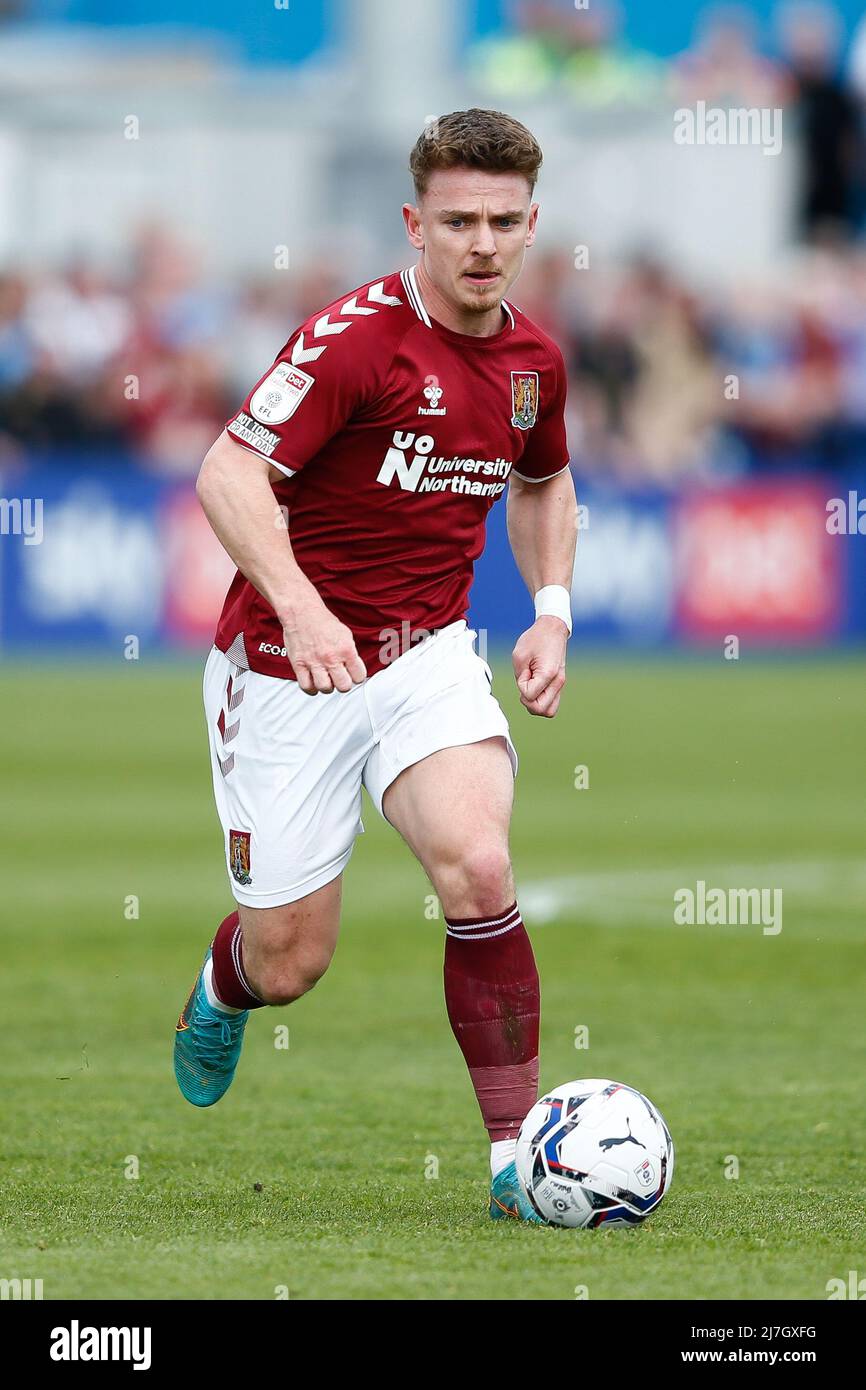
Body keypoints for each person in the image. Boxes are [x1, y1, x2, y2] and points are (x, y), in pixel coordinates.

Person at [174, 108, 578, 1221]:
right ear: (414, 222)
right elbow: (226, 474)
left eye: (502, 220)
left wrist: (548, 609)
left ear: (531, 222)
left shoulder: (534, 361)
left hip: (427, 657)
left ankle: (516, 1161)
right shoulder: (354, 341)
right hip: (284, 665)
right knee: (291, 960)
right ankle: (222, 983)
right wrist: (301, 610)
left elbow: (541, 482)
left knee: (478, 868)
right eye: (457, 221)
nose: (480, 242)